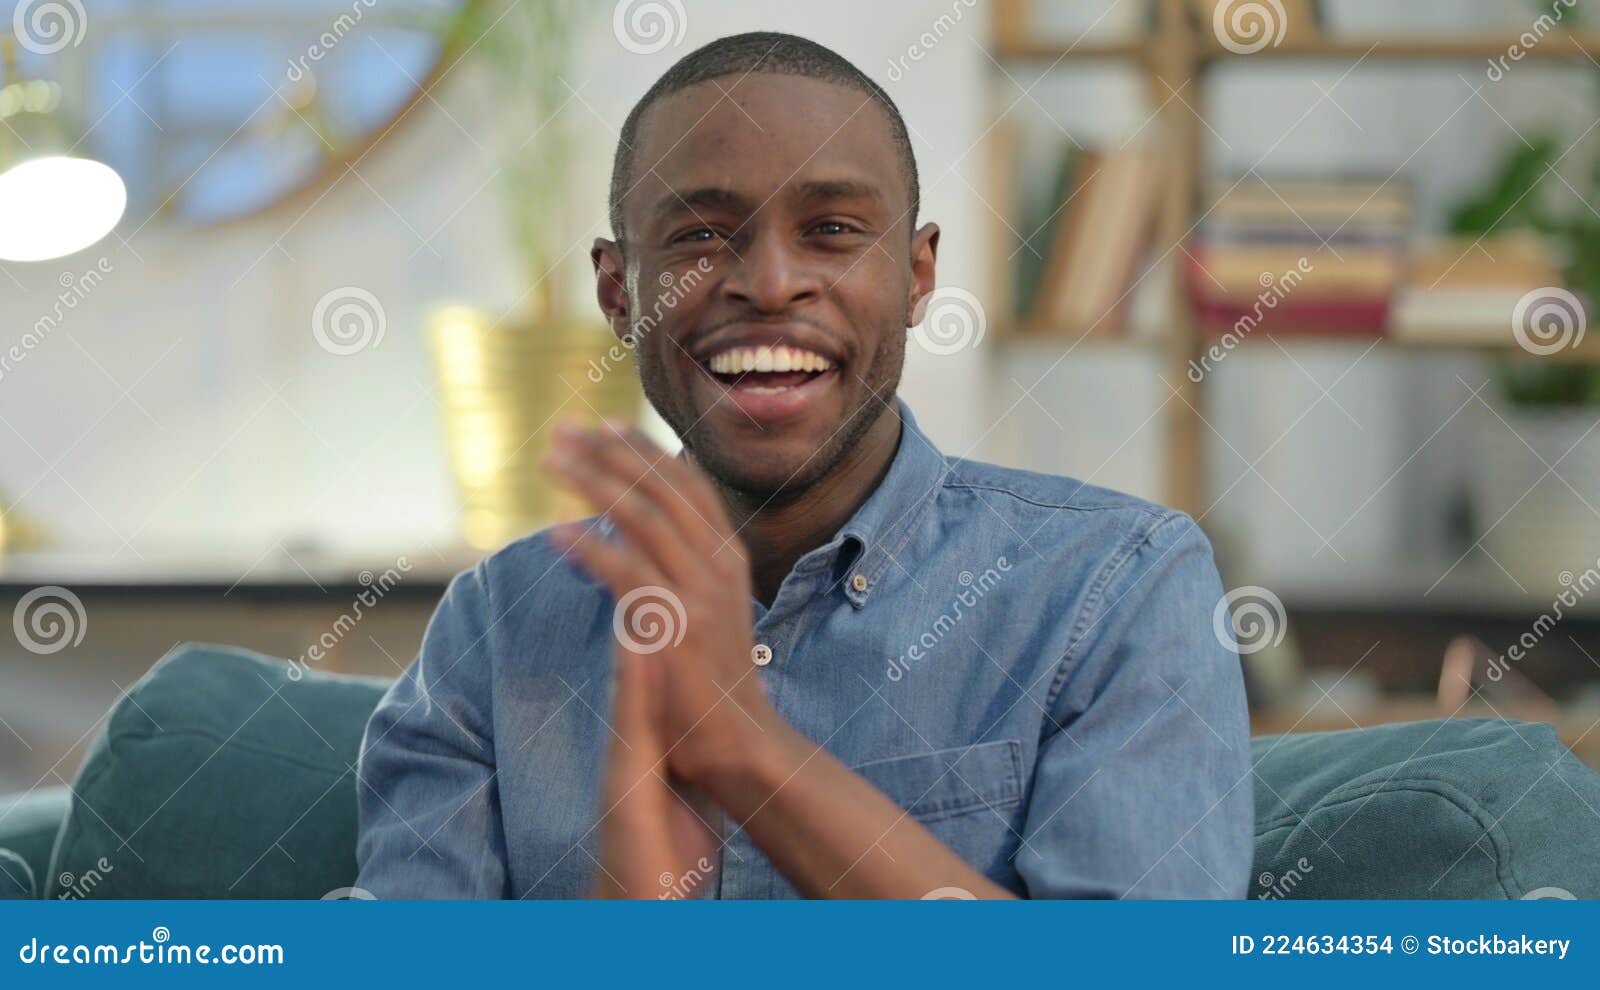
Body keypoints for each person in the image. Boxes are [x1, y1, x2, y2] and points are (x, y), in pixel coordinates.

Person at [356, 31, 1252, 899]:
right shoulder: (496, 631)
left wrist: (746, 751)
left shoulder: (1117, 590)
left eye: (830, 229)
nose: (771, 281)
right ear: (617, 291)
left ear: (917, 275)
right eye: (702, 235)